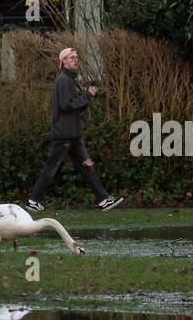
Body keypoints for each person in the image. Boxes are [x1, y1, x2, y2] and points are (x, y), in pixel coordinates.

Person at [27, 46, 123, 212]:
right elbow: (66, 106)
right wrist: (86, 96)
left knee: (87, 166)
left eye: (76, 57)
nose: (75, 59)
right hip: (65, 134)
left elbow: (75, 107)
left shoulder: (69, 79)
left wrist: (87, 97)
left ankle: (102, 199)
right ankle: (33, 201)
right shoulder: (63, 80)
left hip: (73, 135)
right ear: (63, 61)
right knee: (52, 167)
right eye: (71, 57)